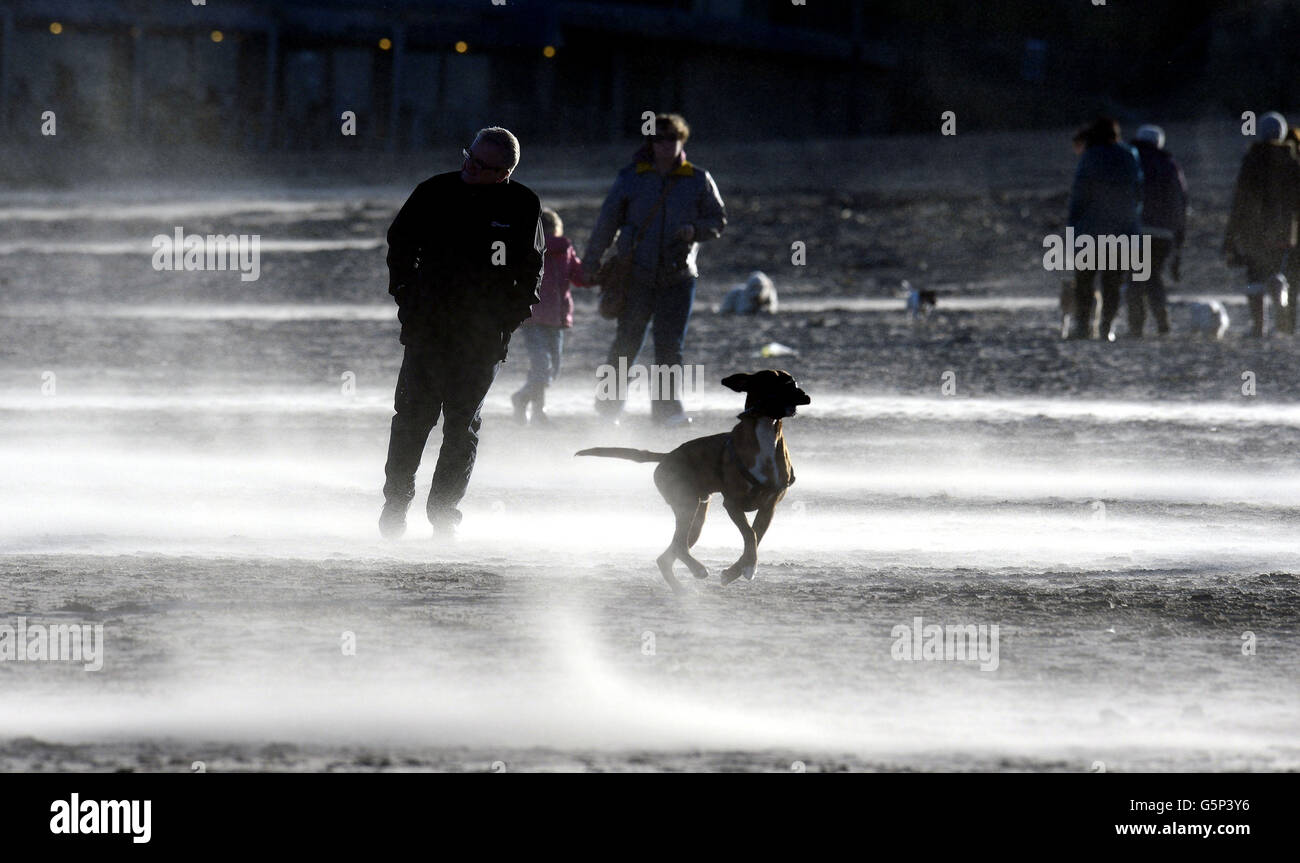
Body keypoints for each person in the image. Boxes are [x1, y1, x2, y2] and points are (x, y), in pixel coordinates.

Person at [379, 127, 544, 538]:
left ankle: (443, 513)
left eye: (483, 165)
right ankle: (396, 504)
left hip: (482, 339)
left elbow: (531, 269)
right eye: (469, 156)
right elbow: (400, 241)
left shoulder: (522, 204)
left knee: (461, 425)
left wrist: (510, 317)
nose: (470, 167)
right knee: (412, 419)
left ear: (504, 172)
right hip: (427, 329)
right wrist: (404, 294)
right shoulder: (435, 191)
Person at [585, 113, 726, 425]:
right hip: (636, 275)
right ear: (650, 143)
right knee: (626, 341)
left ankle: (667, 411)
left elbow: (718, 220)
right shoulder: (631, 177)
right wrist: (590, 263)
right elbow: (606, 223)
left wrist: (694, 229)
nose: (665, 145)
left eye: (671, 138)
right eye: (659, 139)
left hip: (679, 277)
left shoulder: (698, 179)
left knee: (669, 347)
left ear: (681, 141)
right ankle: (607, 409)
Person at [1066, 117, 1143, 341]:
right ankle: (1106, 327)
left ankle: (1082, 325)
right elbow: (1139, 190)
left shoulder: (1090, 156)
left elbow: (1079, 193)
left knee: (1085, 282)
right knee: (1112, 283)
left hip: (1090, 230)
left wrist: (1073, 224)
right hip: (1122, 231)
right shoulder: (1130, 155)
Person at [1225, 111, 1300, 336]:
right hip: (1284, 230)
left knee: (1255, 276)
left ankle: (1258, 326)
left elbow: (1240, 200)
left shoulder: (1252, 159)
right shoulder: (1291, 161)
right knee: (1279, 274)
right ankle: (1281, 323)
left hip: (1253, 229)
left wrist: (1231, 235)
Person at [511, 207, 588, 424]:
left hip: (537, 317)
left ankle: (524, 400)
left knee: (545, 368)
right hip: (546, 318)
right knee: (547, 368)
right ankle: (536, 411)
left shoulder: (526, 248)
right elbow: (581, 277)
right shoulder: (564, 249)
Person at [1127, 124, 1187, 337]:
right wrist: (1179, 237)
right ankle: (1162, 320)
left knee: (1135, 276)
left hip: (1136, 229)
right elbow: (1182, 200)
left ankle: (1137, 326)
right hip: (1164, 233)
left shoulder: (1132, 160)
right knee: (1153, 275)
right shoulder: (1171, 165)